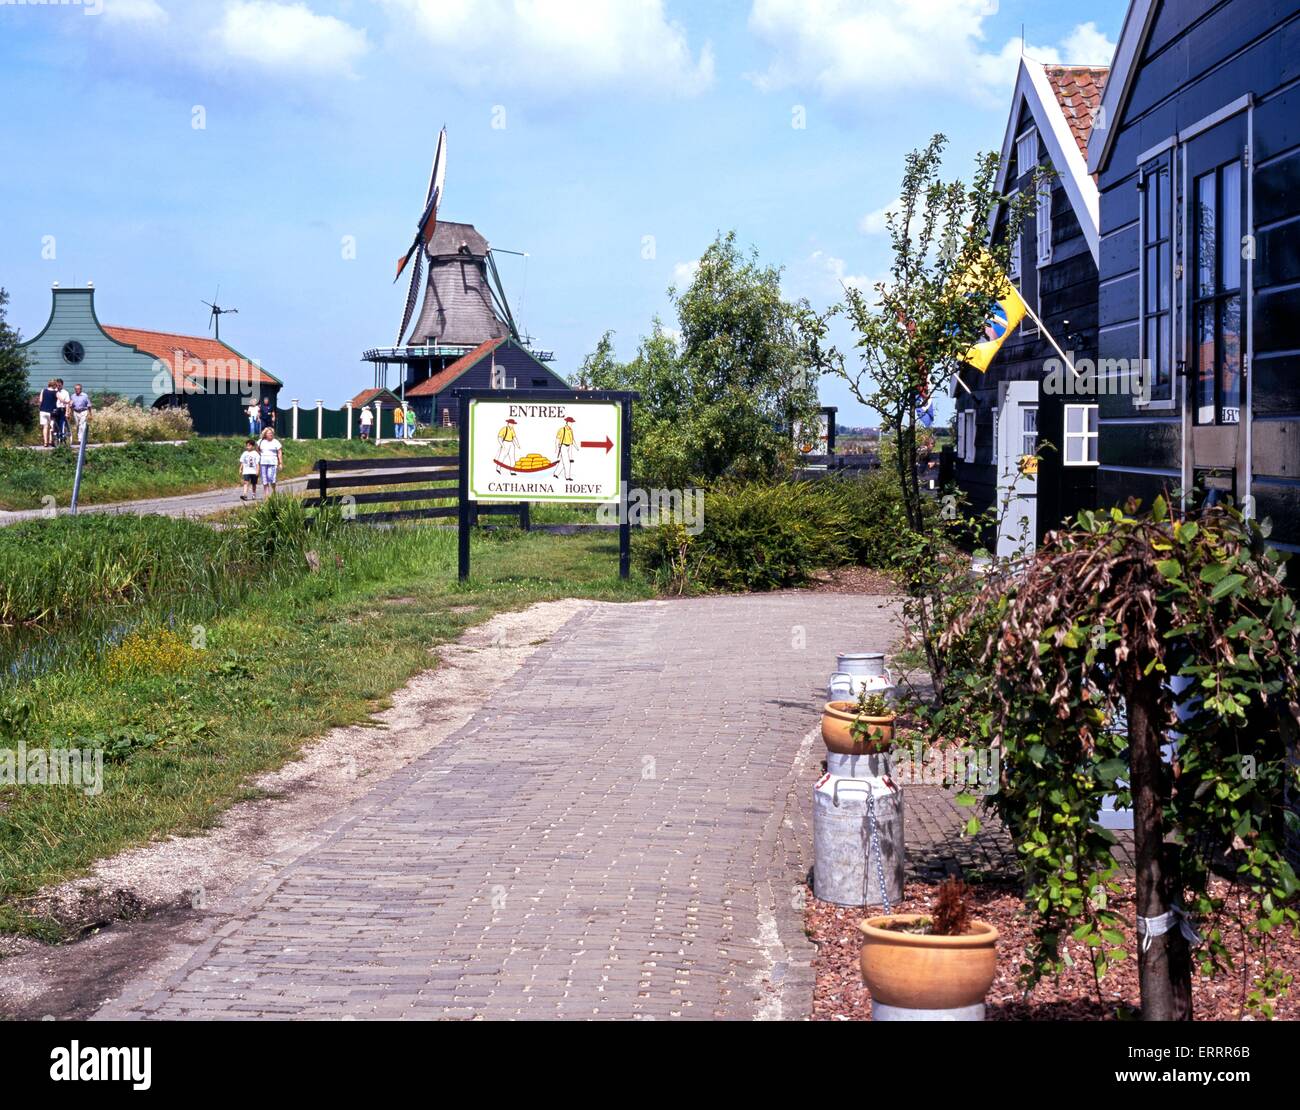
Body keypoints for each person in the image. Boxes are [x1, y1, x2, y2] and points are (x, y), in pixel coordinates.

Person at [258, 426, 283, 496]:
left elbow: (279, 452)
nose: (270, 434)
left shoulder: (276, 442)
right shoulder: (261, 441)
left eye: (271, 433)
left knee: (271, 478)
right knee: (264, 479)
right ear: (265, 434)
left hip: (273, 463)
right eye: (268, 433)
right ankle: (267, 495)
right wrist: (260, 455)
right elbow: (257, 449)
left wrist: (280, 463)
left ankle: (274, 490)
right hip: (263, 462)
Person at [554, 415, 576, 480]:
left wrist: (576, 447)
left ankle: (556, 474)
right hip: (563, 446)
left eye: (572, 422)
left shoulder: (571, 430)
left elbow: (572, 440)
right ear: (567, 422)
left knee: (562, 462)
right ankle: (568, 477)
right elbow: (557, 439)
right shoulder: (562, 430)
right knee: (567, 462)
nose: (571, 424)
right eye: (570, 422)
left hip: (569, 447)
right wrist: (556, 448)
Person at [38, 380, 58, 447]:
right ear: (54, 385)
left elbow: (40, 400)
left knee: (45, 427)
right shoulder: (55, 392)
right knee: (52, 426)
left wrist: (40, 407)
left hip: (43, 411)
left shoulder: (43, 390)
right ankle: (51, 441)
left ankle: (45, 442)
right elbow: (60, 399)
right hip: (51, 411)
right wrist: (67, 402)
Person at [54, 379, 71, 446]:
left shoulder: (65, 392)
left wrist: (67, 412)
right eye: (57, 385)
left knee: (61, 423)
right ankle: (55, 437)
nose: (58, 386)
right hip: (55, 409)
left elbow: (67, 403)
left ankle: (62, 436)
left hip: (62, 408)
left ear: (62, 385)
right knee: (54, 424)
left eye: (59, 385)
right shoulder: (54, 391)